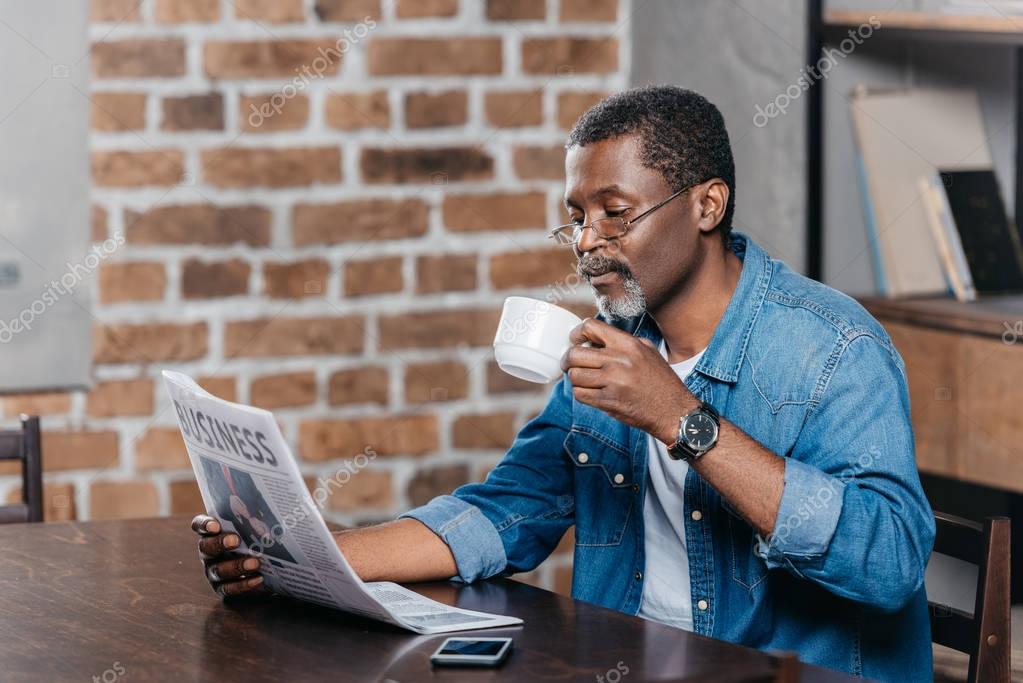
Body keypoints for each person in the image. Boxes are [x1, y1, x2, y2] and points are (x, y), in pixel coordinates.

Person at [192, 85, 935, 681]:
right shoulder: (616, 347)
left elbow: (890, 563)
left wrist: (682, 419)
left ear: (707, 204)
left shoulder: (833, 348)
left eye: (615, 213)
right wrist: (302, 560)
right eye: (575, 218)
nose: (586, 243)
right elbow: (507, 510)